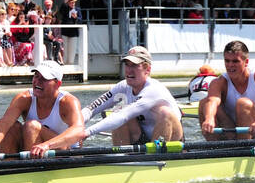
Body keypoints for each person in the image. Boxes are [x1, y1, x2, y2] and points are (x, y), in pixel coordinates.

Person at [48, 46, 183, 150]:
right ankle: (122, 158)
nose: (129, 70)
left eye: (135, 66)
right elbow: (92, 109)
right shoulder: (122, 86)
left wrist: (86, 133)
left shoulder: (153, 90)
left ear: (147, 69)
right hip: (142, 139)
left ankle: (156, 158)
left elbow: (124, 115)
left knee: (164, 112)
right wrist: (71, 127)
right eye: (127, 65)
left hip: (170, 141)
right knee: (118, 110)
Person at [0, 60, 84, 159]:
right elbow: (5, 122)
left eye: (44, 79)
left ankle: (30, 169)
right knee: (11, 127)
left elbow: (79, 131)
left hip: (64, 150)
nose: (37, 82)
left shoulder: (68, 102)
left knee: (32, 126)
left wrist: (47, 145)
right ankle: (10, 169)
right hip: (35, 149)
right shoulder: (24, 98)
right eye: (36, 76)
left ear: (58, 84)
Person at [198, 41, 255, 139]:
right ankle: (215, 148)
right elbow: (212, 101)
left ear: (246, 62)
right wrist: (209, 118)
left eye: (235, 61)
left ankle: (243, 147)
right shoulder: (219, 82)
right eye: (227, 61)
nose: (230, 65)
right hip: (234, 130)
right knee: (204, 102)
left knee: (243, 103)